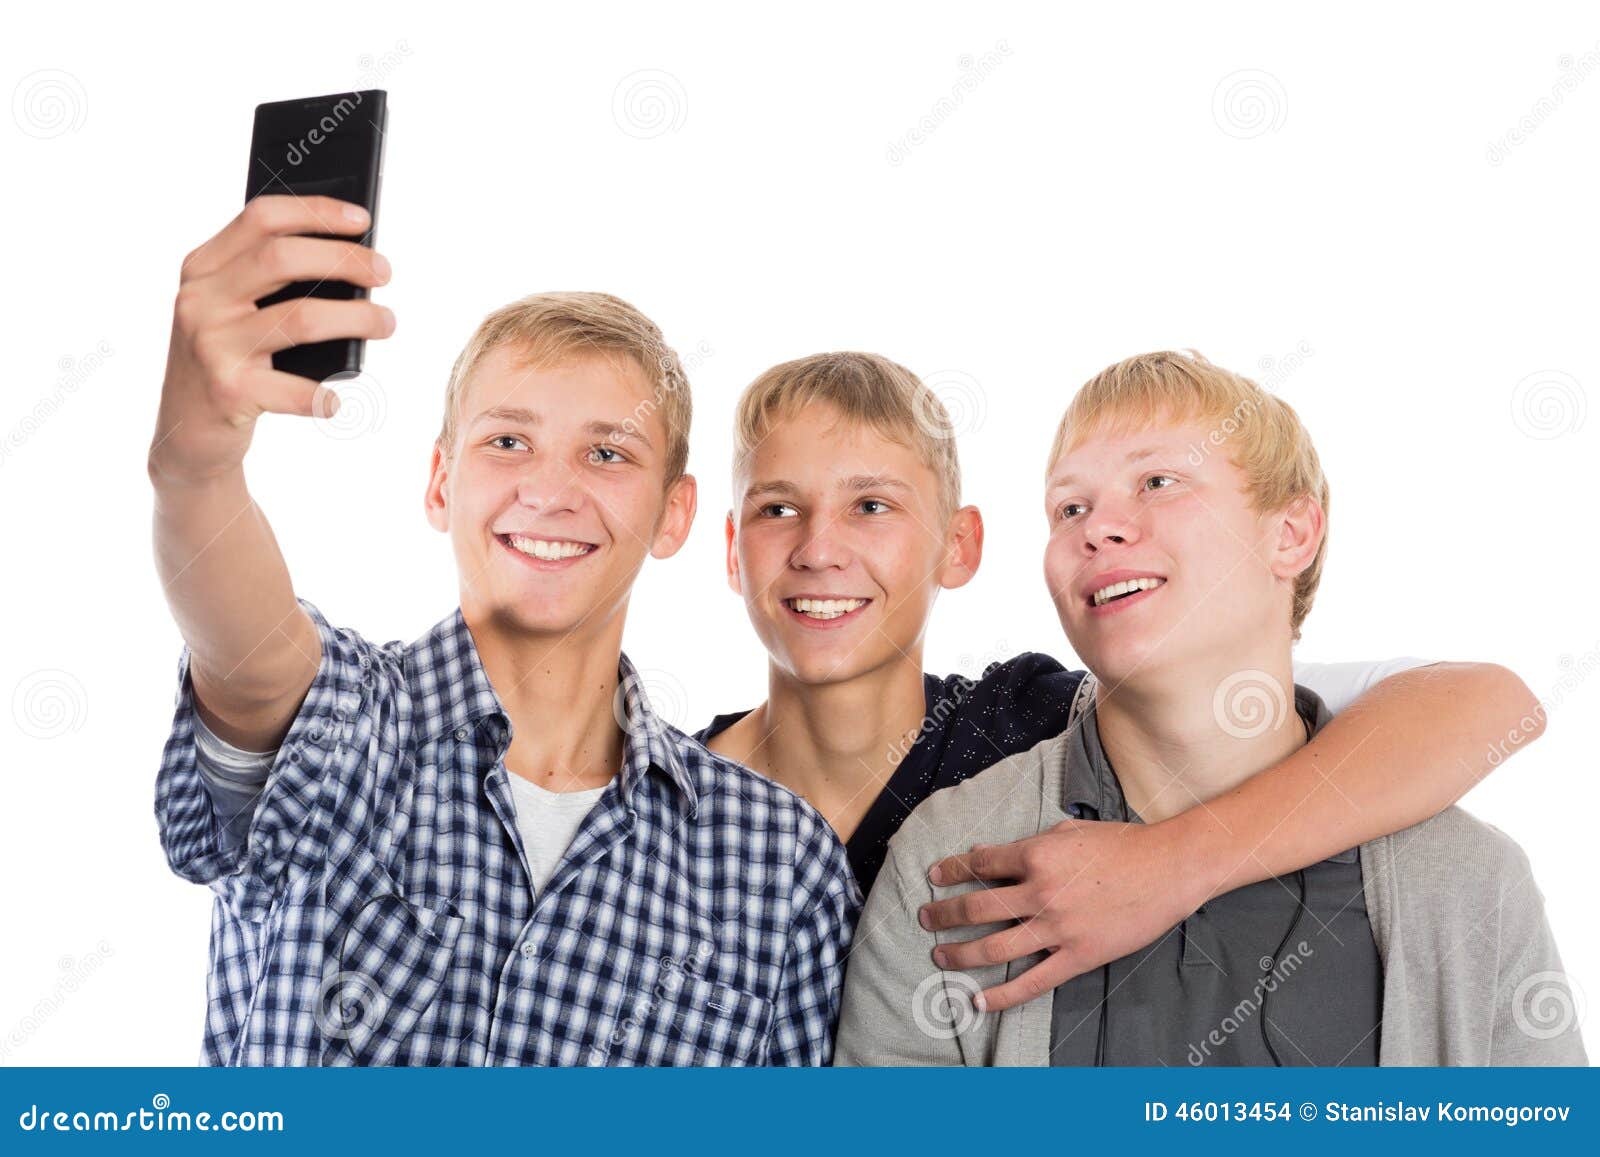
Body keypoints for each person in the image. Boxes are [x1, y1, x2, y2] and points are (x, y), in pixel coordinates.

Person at [147, 196, 856, 1066]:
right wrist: (198, 468)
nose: (551, 490)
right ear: (442, 482)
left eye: (607, 453)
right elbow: (246, 652)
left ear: (675, 515)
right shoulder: (340, 727)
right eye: (509, 441)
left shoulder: (778, 864)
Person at [832, 350, 1584, 1065]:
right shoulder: (952, 858)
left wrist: (1177, 862)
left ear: (1291, 533)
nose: (1097, 526)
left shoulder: (1467, 882)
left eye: (1158, 481)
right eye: (1068, 507)